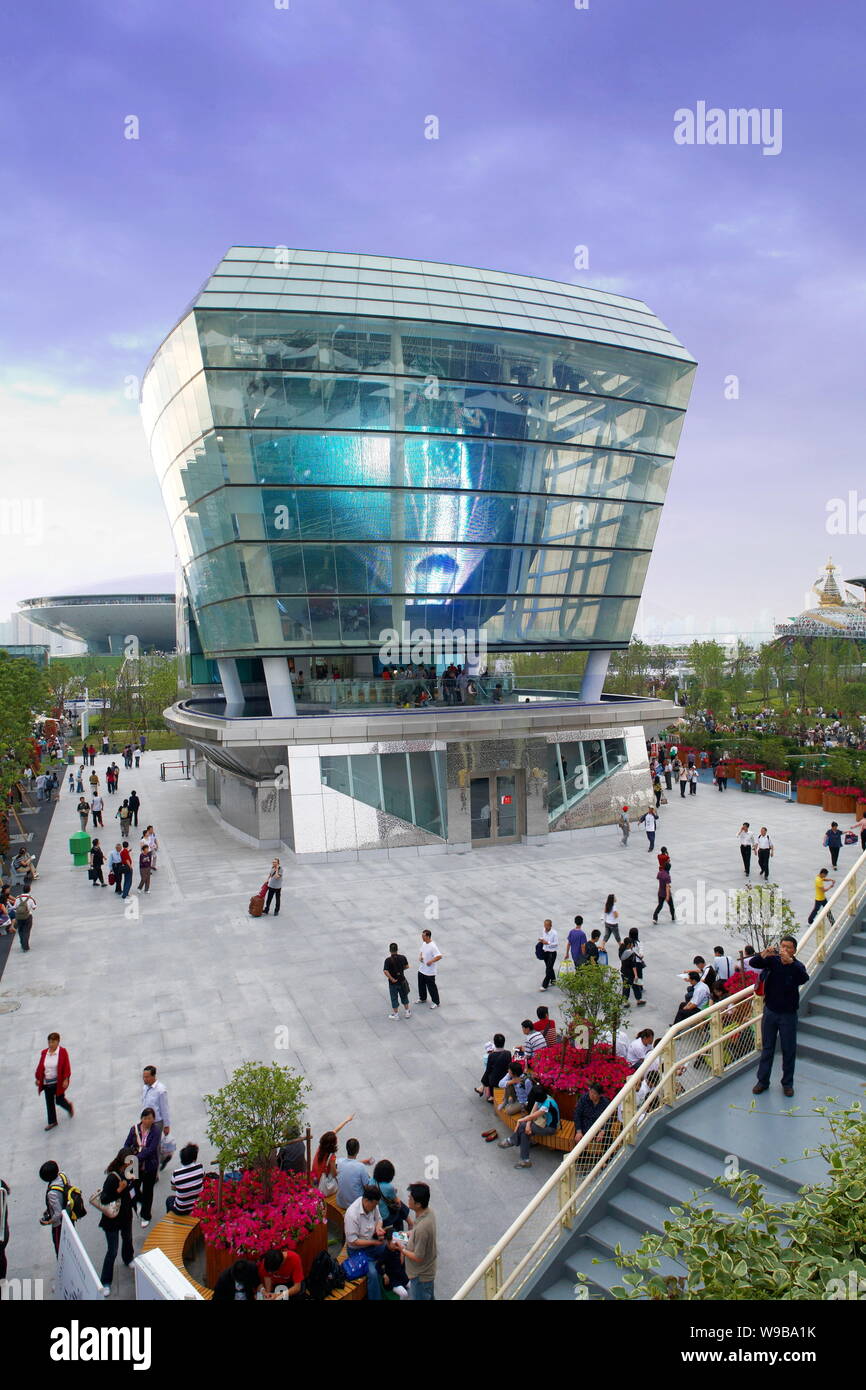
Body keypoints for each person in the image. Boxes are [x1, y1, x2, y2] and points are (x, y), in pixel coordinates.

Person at [749, 937, 809, 1096]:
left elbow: (804, 978)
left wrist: (791, 963)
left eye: (788, 947)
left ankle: (787, 1084)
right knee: (767, 1047)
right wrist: (765, 953)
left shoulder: (797, 966)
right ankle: (762, 1081)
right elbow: (753, 963)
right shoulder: (773, 961)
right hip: (770, 1011)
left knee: (789, 1049)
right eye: (782, 946)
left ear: (794, 950)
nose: (784, 949)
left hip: (788, 1015)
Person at [97, 1148, 136, 1294]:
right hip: (112, 1219)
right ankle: (105, 1281)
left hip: (126, 1214)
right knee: (112, 1250)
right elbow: (104, 1199)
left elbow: (133, 1189)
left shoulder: (130, 1172)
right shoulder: (112, 1178)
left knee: (128, 1239)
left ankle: (128, 1258)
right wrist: (119, 1190)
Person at [498, 1082, 559, 1167]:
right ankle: (525, 1160)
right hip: (541, 1121)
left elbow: (533, 1116)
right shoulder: (542, 1096)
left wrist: (520, 1121)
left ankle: (512, 1141)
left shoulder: (546, 1105)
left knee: (522, 1126)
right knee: (524, 1131)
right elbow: (532, 1113)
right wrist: (528, 1124)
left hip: (550, 1128)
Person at [344, 1185, 387, 1300]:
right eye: (374, 1205)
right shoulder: (352, 1214)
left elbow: (379, 1219)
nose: (375, 1208)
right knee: (372, 1273)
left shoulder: (373, 1205)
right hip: (357, 1250)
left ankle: (389, 1280)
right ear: (367, 1200)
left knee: (391, 1248)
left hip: (372, 1242)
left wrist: (378, 1228)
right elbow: (353, 1241)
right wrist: (373, 1243)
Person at [396, 1181, 437, 1299]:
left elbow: (418, 1257)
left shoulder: (422, 1228)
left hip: (421, 1277)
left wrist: (402, 1249)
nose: (408, 1199)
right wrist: (406, 1234)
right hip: (426, 1272)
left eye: (410, 1198)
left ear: (418, 1204)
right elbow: (416, 1232)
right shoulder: (428, 1213)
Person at [124, 1107, 160, 1228]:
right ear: (141, 1118)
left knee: (148, 1191)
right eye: (145, 1118)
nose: (148, 1121)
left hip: (149, 1166)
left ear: (153, 1119)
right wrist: (129, 1156)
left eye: (150, 1118)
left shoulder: (155, 1132)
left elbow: (151, 1150)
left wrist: (137, 1157)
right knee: (132, 1187)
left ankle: (146, 1215)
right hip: (134, 1165)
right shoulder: (134, 1129)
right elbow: (126, 1144)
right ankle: (139, 1202)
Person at [35, 1032, 75, 1130]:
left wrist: (66, 1079)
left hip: (58, 1083)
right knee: (49, 1102)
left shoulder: (62, 1052)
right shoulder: (44, 1053)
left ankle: (69, 1107)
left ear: (58, 1042)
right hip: (47, 1083)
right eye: (49, 1042)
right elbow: (40, 1067)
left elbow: (66, 1066)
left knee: (59, 1100)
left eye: (53, 1042)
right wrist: (38, 1078)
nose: (51, 1044)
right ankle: (52, 1121)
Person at [39, 1160, 77, 1256]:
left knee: (60, 1249)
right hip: (70, 1215)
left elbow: (58, 1213)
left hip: (59, 1224)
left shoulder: (52, 1193)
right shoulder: (63, 1175)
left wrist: (49, 1221)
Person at [336, 1137, 374, 1209]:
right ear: (358, 1150)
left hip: (340, 1202)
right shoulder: (361, 1167)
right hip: (354, 1205)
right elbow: (367, 1188)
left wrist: (363, 1161)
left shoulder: (339, 1162)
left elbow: (349, 1164)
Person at [166, 1143, 205, 1214]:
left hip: (182, 1210)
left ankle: (171, 1219)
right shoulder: (200, 1167)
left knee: (169, 1200)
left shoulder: (176, 1174)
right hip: (198, 1205)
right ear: (194, 1159)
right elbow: (203, 1178)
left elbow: (173, 1188)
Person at [141, 1065, 171, 1155]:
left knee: (154, 1145)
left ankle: (157, 1164)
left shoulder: (160, 1090)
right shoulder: (145, 1087)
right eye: (144, 1077)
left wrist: (166, 1125)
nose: (144, 1079)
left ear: (153, 1076)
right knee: (146, 1143)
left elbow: (164, 1109)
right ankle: (163, 1157)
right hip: (146, 1121)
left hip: (156, 1122)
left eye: (147, 1077)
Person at [477, 1033, 512, 1100]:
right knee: (492, 1073)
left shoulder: (491, 1055)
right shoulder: (508, 1053)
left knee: (489, 1074)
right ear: (504, 1043)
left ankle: (489, 1094)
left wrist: (484, 1081)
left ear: (495, 1043)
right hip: (505, 1077)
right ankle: (483, 1090)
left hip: (495, 1081)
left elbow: (488, 1070)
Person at [384, 941, 412, 1019]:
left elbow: (385, 971)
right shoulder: (403, 957)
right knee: (404, 996)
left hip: (393, 983)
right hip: (402, 981)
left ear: (390, 950)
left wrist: (392, 979)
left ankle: (396, 1015)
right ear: (397, 949)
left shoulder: (388, 960)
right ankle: (407, 1012)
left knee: (394, 998)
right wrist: (400, 970)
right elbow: (407, 966)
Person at [417, 929, 441, 1009]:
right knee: (421, 985)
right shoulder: (424, 943)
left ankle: (436, 1002)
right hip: (422, 969)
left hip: (429, 972)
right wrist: (420, 956)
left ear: (427, 936)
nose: (422, 937)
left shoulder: (433, 946)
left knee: (431, 987)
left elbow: (439, 956)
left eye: (423, 936)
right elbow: (421, 951)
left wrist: (431, 961)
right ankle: (422, 998)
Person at [619, 939, 645, 1004]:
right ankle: (638, 1000)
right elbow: (633, 965)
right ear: (628, 945)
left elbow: (622, 944)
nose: (633, 945)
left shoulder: (621, 950)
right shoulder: (631, 954)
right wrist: (636, 975)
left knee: (626, 987)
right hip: (631, 973)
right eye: (632, 944)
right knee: (636, 986)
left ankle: (625, 1002)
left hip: (623, 971)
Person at [538, 918, 558, 990]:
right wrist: (541, 939)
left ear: (550, 925)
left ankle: (544, 985)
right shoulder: (543, 930)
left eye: (547, 926)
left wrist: (548, 943)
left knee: (548, 969)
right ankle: (553, 980)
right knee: (549, 967)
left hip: (552, 953)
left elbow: (556, 944)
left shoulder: (554, 933)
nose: (545, 927)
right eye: (545, 925)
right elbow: (542, 937)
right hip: (545, 952)